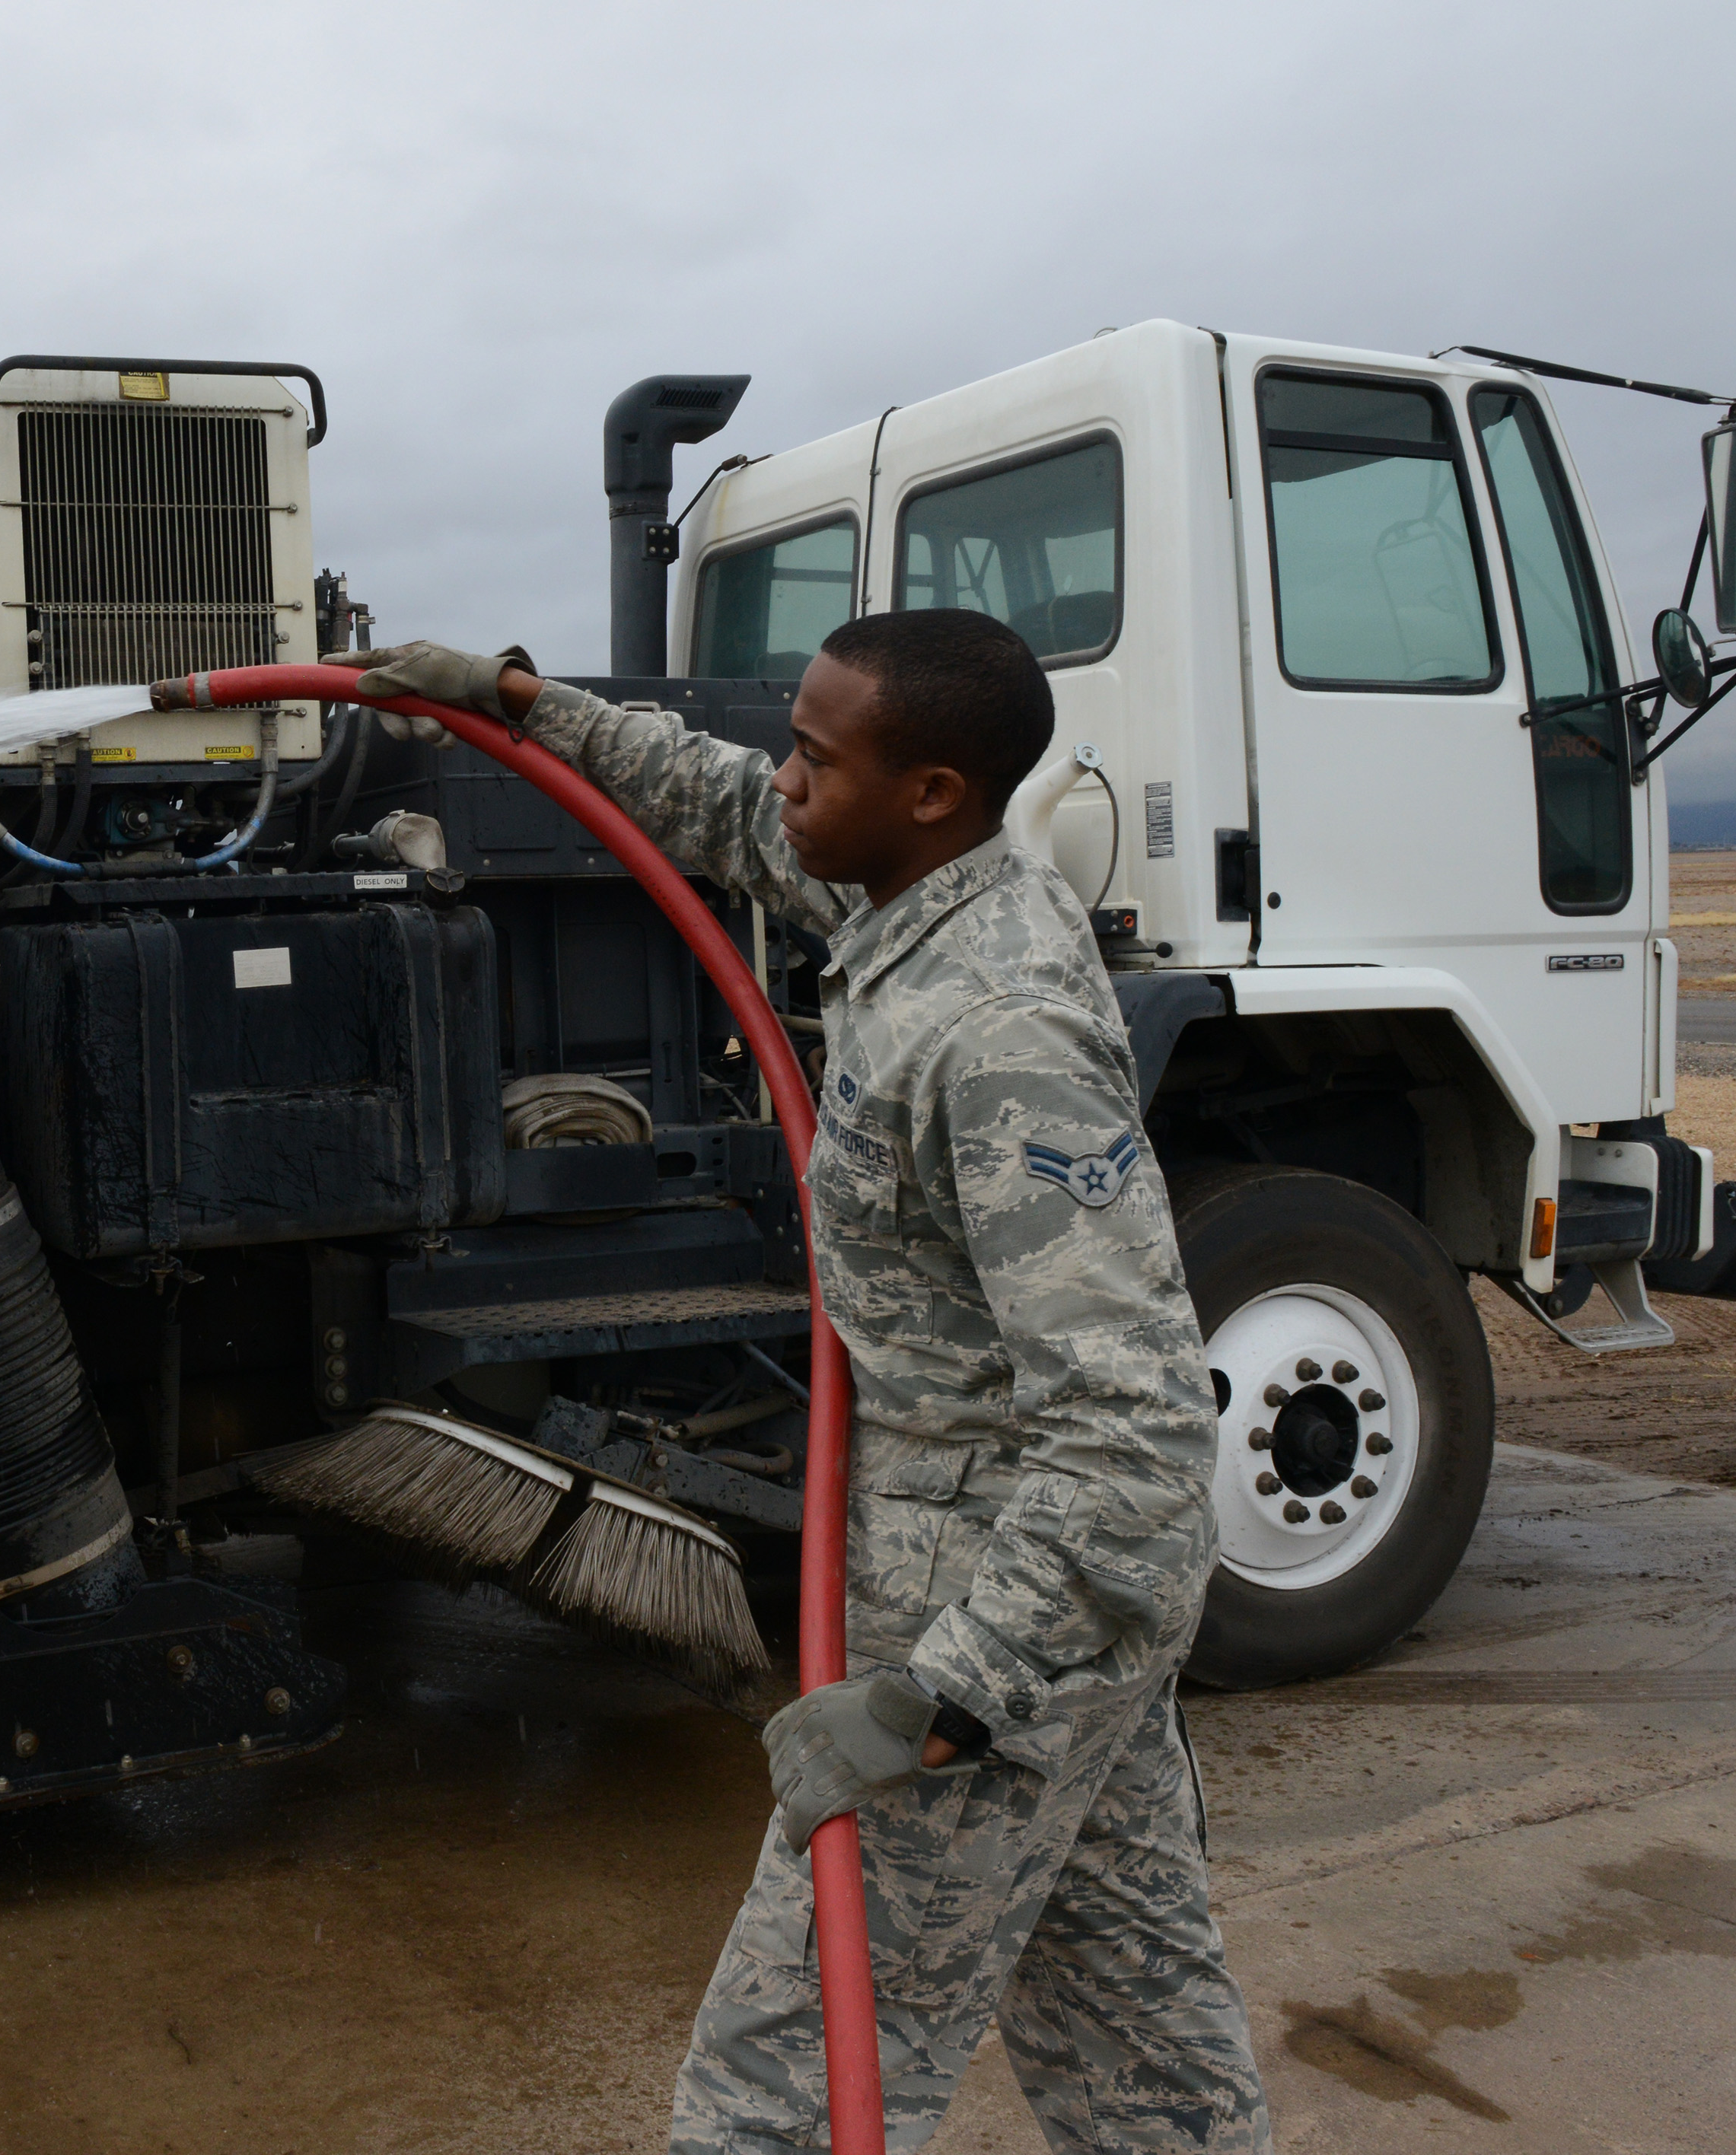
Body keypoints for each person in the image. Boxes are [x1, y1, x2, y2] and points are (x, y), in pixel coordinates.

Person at [345, 617, 1269, 2154]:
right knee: (1140, 2050)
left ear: (932, 792)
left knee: (776, 2088)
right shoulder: (910, 888)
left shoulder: (1002, 1035)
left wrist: (941, 1698)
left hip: (1005, 1611)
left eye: (815, 759)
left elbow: (1135, 1430)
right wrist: (522, 703)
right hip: (1068, 1619)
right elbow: (717, 804)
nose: (781, 779)